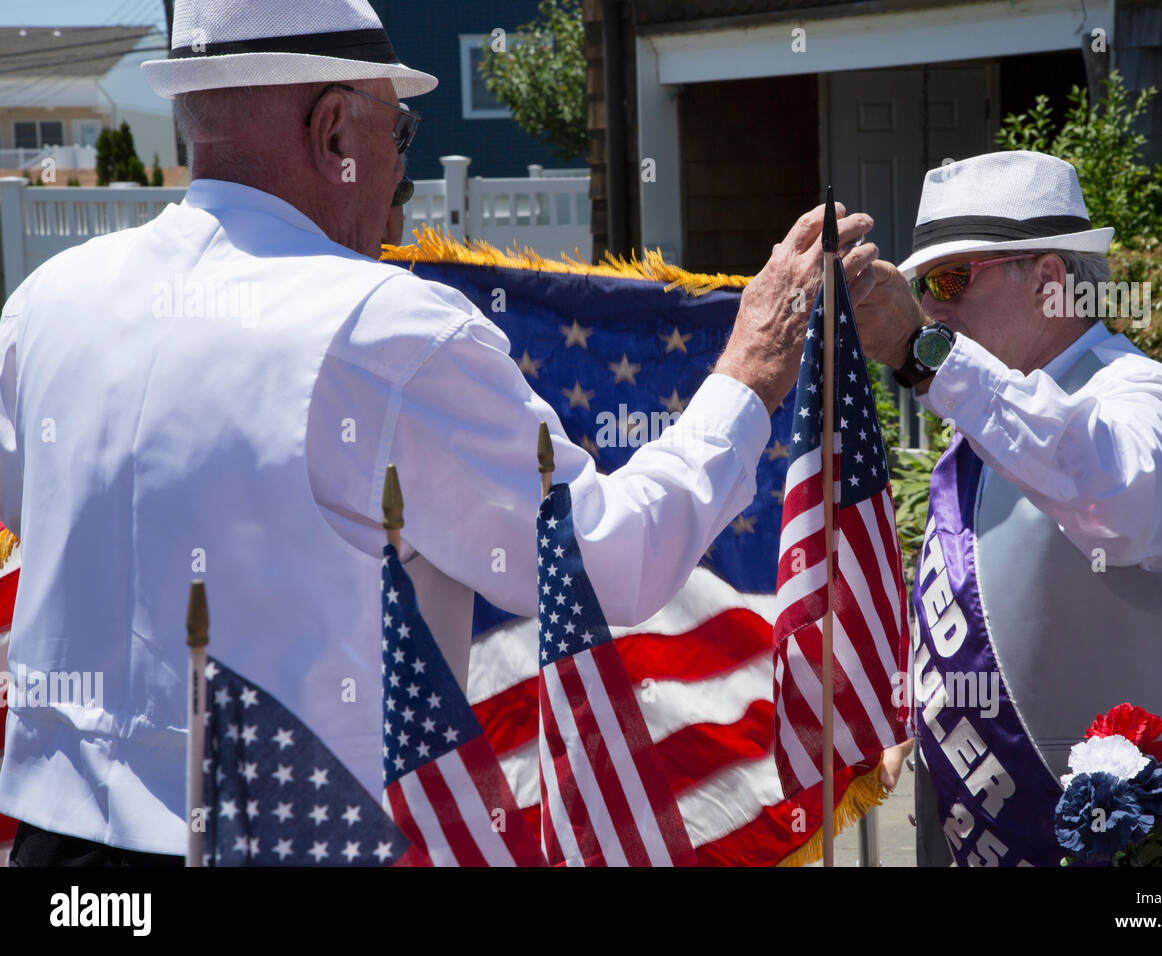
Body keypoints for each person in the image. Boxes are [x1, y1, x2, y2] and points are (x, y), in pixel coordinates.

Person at [0, 0, 881, 865]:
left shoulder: (47, 302)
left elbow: (37, 522)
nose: (398, 175)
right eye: (402, 133)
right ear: (336, 133)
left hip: (53, 846)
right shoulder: (387, 329)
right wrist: (750, 370)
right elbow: (605, 563)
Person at [851, 149, 1162, 866]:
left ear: (1050, 280)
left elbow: (1120, 498)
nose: (929, 308)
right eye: (923, 287)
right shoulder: (987, 421)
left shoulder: (1147, 397)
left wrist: (925, 357)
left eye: (951, 279)